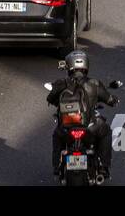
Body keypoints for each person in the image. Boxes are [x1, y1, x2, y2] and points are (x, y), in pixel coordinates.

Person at [46, 50, 118, 182]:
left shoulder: (61, 83)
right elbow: (109, 99)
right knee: (106, 131)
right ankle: (103, 166)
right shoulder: (94, 83)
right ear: (86, 66)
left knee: (57, 135)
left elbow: (50, 98)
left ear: (69, 65)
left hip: (66, 129)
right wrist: (113, 100)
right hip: (89, 127)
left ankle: (56, 166)